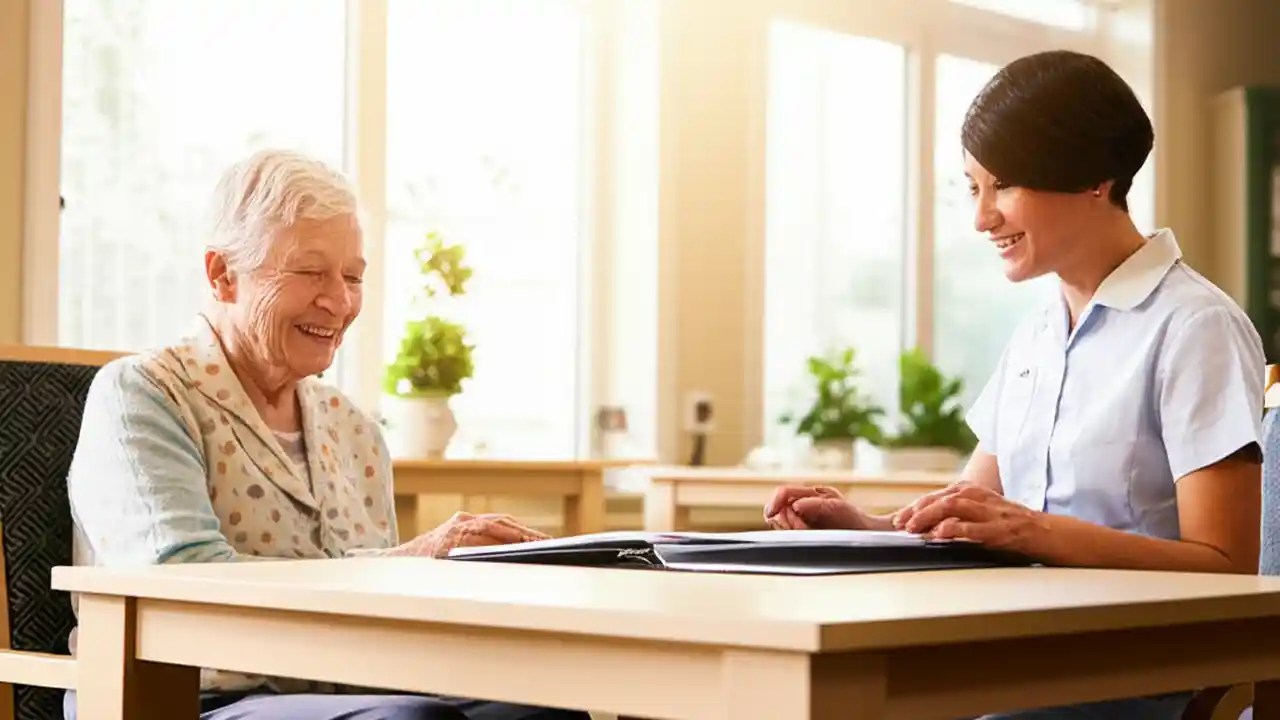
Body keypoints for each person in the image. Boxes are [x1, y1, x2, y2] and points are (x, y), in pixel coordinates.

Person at [765, 50, 1264, 720]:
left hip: (1125, 671)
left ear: (1093, 178)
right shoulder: (1036, 333)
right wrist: (868, 526)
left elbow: (1226, 566)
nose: (981, 217)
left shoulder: (1195, 325)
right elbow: (976, 511)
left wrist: (1036, 532)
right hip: (1006, 652)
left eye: (1002, 187)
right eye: (972, 188)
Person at [64, 149, 587, 720]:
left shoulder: (354, 427)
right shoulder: (145, 394)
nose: (339, 301)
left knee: (551, 709)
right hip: (183, 700)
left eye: (353, 276)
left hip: (351, 692)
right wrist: (406, 562)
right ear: (222, 275)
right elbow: (180, 588)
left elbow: (386, 615)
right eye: (311, 272)